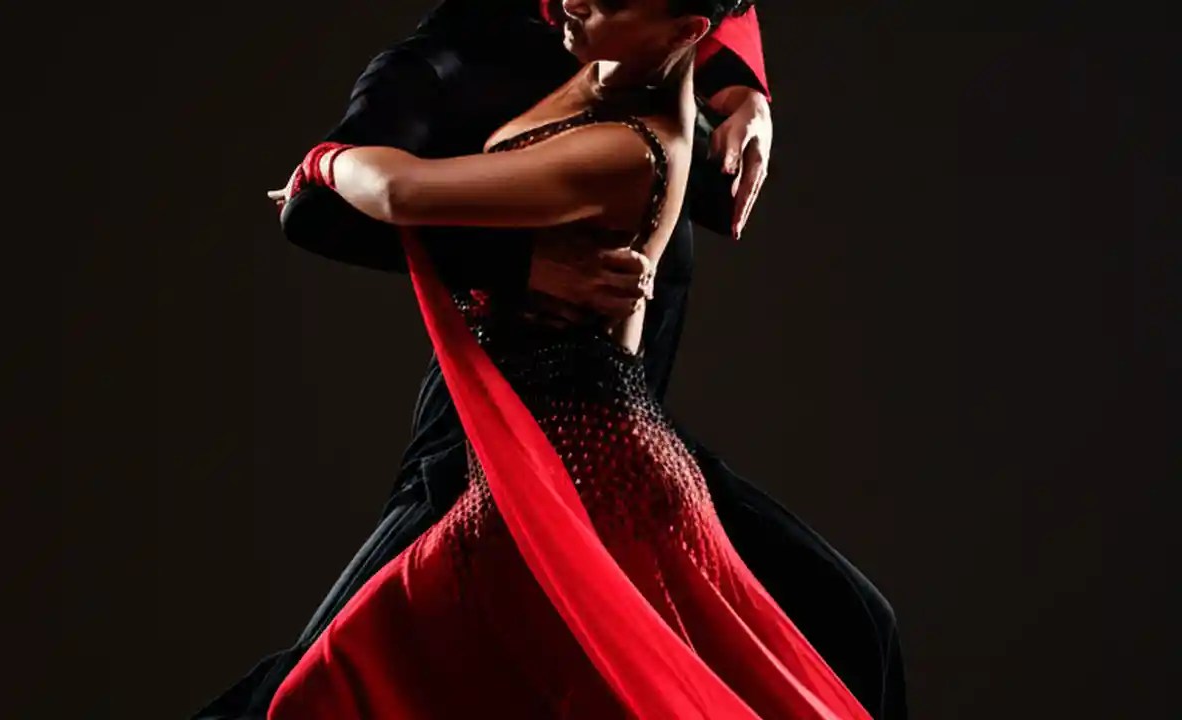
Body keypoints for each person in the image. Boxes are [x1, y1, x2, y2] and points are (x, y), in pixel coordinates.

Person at [191, 0, 906, 718]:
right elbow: (317, 212)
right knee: (313, 691)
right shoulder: (463, 59)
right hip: (487, 437)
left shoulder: (635, 80)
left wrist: (747, 88)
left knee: (846, 629)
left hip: (609, 443)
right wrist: (518, 265)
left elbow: (707, 55)